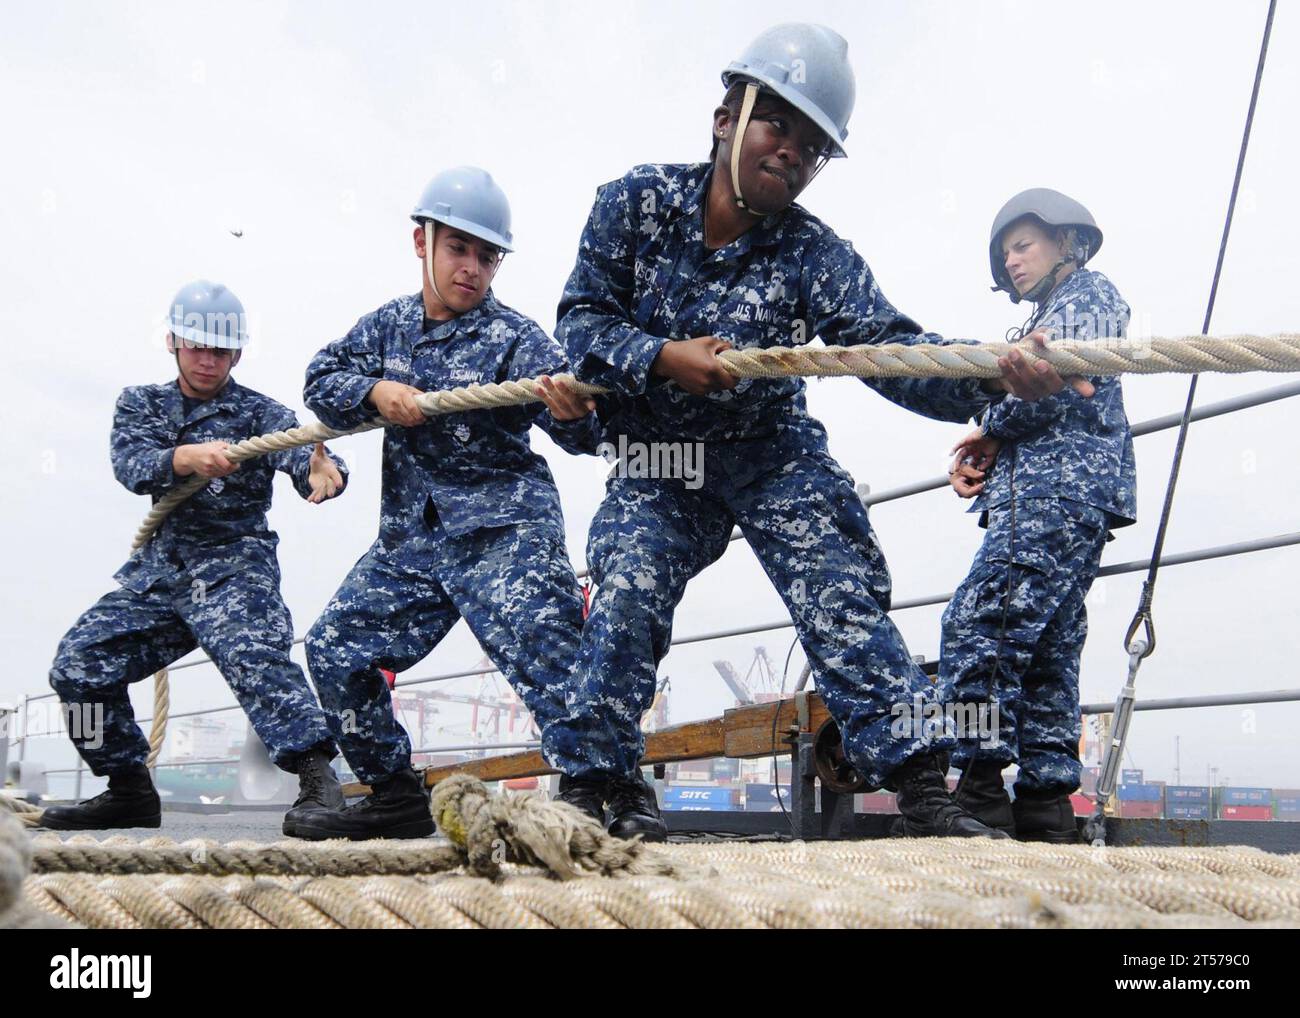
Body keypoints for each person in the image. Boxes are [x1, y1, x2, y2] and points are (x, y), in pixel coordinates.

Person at [546, 24, 1085, 841]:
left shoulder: (813, 253)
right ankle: (601, 787)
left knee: (840, 584)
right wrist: (662, 357)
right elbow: (581, 321)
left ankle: (920, 789)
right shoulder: (636, 203)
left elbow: (887, 347)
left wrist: (990, 373)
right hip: (663, 458)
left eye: (811, 147)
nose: (791, 153)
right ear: (728, 116)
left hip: (770, 453)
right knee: (626, 581)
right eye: (778, 126)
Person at [298, 167, 602, 840]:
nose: (471, 267)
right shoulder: (387, 328)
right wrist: (375, 393)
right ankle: (393, 793)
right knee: (334, 650)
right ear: (421, 242)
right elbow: (320, 378)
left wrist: (576, 410)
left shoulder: (516, 339)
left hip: (505, 531)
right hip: (413, 540)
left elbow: (582, 434)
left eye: (486, 255)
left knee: (553, 654)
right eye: (458, 248)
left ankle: (597, 790)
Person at [44, 280, 349, 834]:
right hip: (161, 576)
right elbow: (132, 464)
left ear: (237, 353)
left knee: (254, 653)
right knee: (76, 667)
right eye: (197, 346)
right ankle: (127, 787)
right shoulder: (140, 403)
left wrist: (323, 471)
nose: (208, 360)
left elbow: (306, 449)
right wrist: (186, 456)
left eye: (220, 350)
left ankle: (318, 782)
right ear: (173, 341)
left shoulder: (259, 414)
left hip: (235, 567)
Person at [942, 188, 1136, 842]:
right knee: (1048, 643)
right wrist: (993, 437)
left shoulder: (1089, 296)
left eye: (1023, 245)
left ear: (1066, 243)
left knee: (980, 621)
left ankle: (976, 790)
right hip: (1062, 496)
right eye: (1005, 253)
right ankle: (1047, 805)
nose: (1013, 260)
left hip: (1055, 493)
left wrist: (990, 427)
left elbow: (1045, 387)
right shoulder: (1059, 310)